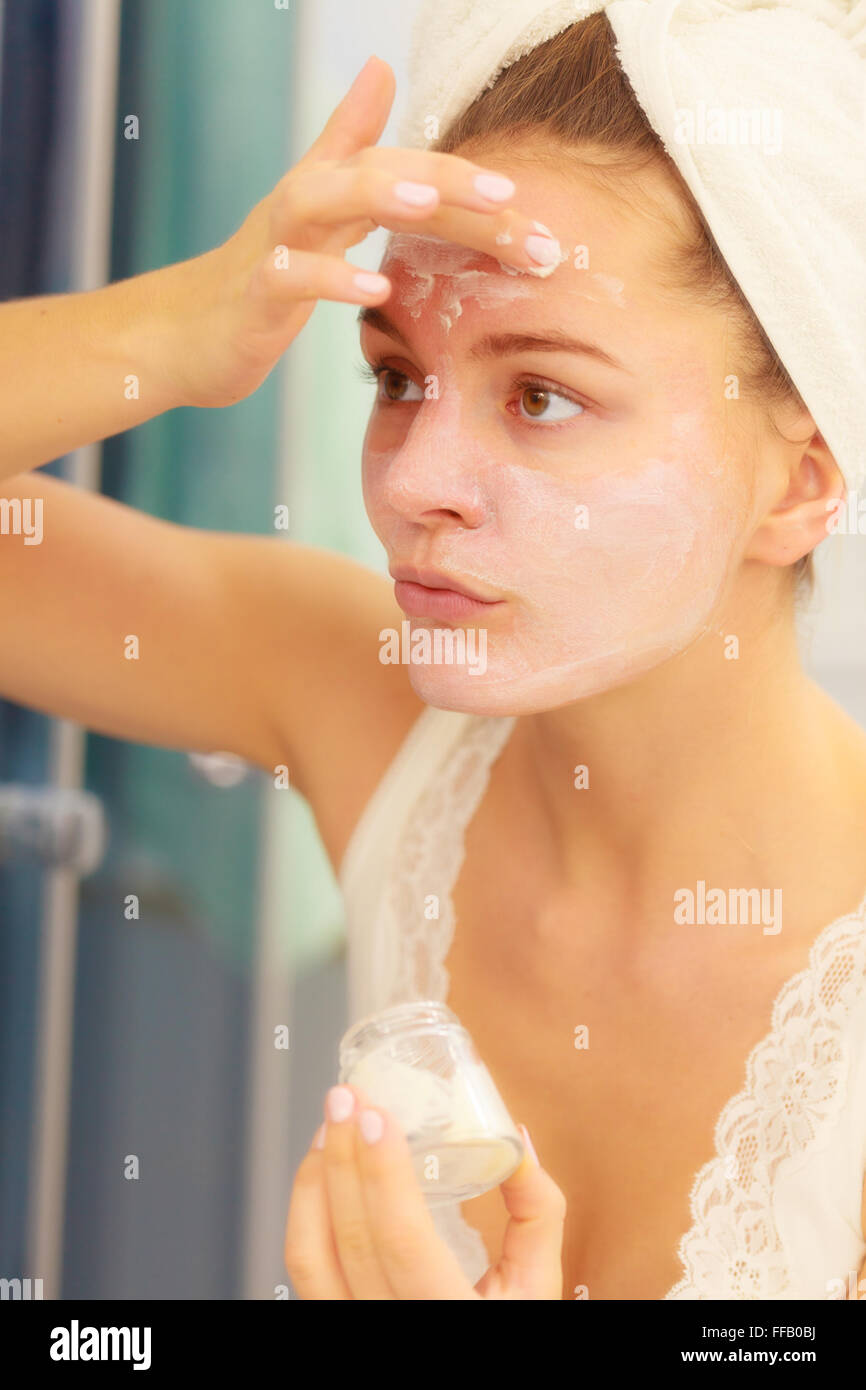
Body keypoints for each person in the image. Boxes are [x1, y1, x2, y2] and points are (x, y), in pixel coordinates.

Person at [2, 20, 865, 1298]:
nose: (413, 484)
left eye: (540, 396)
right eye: (397, 375)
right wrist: (179, 326)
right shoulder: (360, 699)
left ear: (799, 483)